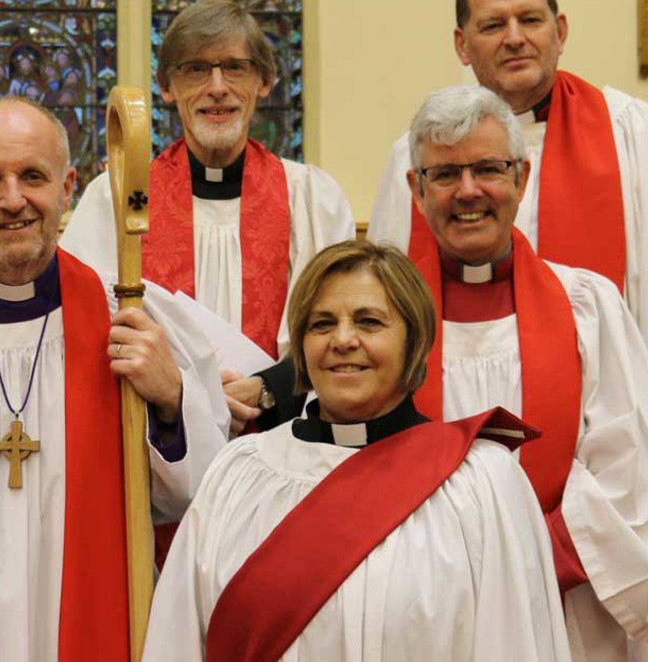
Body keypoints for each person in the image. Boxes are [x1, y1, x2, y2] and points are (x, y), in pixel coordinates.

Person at [366, 0, 648, 659]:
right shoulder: (416, 152)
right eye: (492, 26)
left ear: (560, 32)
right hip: (442, 521)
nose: (514, 38)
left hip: (613, 488)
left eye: (530, 21)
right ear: (463, 45)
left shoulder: (635, 132)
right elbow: (383, 310)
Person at [0, 96, 259, 660]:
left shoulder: (133, 316)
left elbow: (198, 497)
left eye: (33, 176)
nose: (12, 199)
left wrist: (172, 403)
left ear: (68, 186)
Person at [146, 240, 571, 661]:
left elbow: (516, 642)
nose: (343, 339)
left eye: (369, 322)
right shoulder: (238, 475)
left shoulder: (481, 482)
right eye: (321, 324)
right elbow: (179, 639)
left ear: (416, 343)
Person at [399, 85, 648, 660]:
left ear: (522, 179)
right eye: (446, 174)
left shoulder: (586, 306)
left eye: (488, 169)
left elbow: (631, 474)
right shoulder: (387, 315)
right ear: (416, 190)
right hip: (422, 600)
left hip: (563, 601)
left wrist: (523, 565)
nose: (469, 191)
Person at [62, 0, 354, 427]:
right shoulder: (118, 196)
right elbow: (85, 330)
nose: (217, 87)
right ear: (167, 87)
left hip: (284, 439)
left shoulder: (311, 198)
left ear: (265, 81)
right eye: (196, 69)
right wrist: (179, 395)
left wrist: (265, 388)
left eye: (235, 67)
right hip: (155, 444)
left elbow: (342, 328)